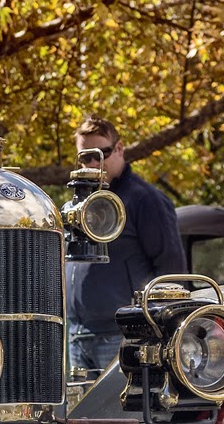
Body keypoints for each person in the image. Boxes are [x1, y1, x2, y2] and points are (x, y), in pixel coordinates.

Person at [65, 115, 186, 371]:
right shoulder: (80, 205)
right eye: (85, 157)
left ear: (119, 149)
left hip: (124, 336)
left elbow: (172, 274)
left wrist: (156, 333)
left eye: (100, 154)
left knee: (120, 411)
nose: (93, 164)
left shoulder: (146, 200)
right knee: (78, 413)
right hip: (76, 335)